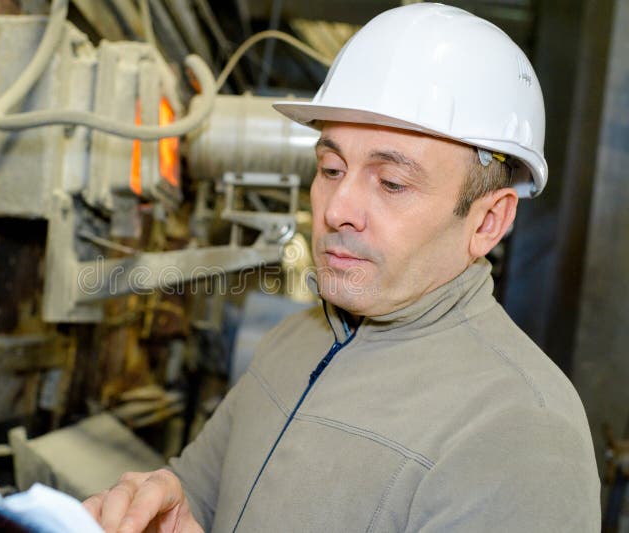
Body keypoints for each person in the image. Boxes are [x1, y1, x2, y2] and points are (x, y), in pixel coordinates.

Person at [83, 4, 601, 532]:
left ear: (488, 221)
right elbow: (202, 492)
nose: (335, 209)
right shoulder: (293, 340)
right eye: (330, 168)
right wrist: (166, 501)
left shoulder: (522, 434)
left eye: (392, 183)